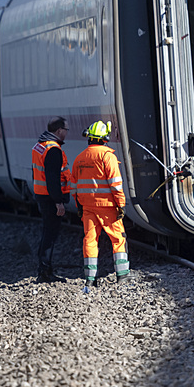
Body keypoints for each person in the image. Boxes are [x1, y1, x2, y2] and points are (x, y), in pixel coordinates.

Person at [72, 120, 132, 289]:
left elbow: (74, 186)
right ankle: (122, 275)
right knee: (118, 239)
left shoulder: (80, 158)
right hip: (108, 207)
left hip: (88, 208)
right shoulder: (108, 156)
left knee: (90, 241)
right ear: (105, 138)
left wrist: (79, 206)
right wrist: (121, 204)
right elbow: (115, 184)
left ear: (90, 138)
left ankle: (90, 279)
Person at [31, 117, 75, 283]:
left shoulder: (39, 147)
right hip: (51, 199)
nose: (66, 133)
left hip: (42, 195)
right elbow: (52, 178)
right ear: (58, 131)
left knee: (46, 233)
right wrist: (59, 202)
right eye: (66, 130)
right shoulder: (53, 150)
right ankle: (45, 272)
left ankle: (44, 269)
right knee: (50, 234)